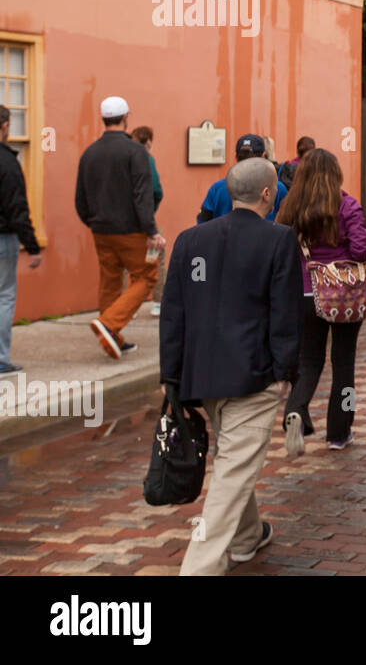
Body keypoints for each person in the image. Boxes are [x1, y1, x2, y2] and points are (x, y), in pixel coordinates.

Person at [160, 158, 303, 576]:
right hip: (253, 376)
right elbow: (285, 314)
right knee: (230, 475)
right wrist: (285, 373)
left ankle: (247, 538)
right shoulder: (280, 240)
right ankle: (198, 567)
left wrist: (171, 377)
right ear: (266, 194)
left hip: (202, 375)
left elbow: (174, 313)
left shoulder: (189, 240)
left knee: (233, 461)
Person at [278, 148, 366, 454]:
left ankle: (296, 408)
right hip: (342, 295)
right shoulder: (346, 205)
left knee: (308, 361)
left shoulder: (291, 209)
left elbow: (282, 251)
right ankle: (339, 432)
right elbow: (360, 250)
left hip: (304, 294)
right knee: (344, 364)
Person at [74, 96, 163, 359]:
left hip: (100, 229)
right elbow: (142, 196)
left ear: (104, 119)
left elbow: (80, 198)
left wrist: (92, 221)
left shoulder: (89, 152)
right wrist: (152, 230)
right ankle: (110, 324)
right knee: (146, 276)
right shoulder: (136, 152)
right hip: (130, 229)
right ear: (126, 118)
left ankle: (111, 336)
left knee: (110, 281)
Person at [0, 106, 42, 376]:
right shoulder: (7, 162)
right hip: (3, 238)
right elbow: (17, 208)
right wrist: (33, 244)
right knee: (4, 296)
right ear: (4, 125)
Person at [197, 134, 287, 223]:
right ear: (263, 156)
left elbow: (202, 222)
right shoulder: (276, 187)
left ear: (236, 157)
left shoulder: (217, 188)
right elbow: (288, 220)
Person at [131, 126, 165, 318]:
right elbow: (156, 190)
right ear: (148, 141)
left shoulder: (122, 156)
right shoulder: (146, 159)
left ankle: (127, 303)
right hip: (144, 220)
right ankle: (158, 302)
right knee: (156, 259)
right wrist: (150, 212)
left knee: (126, 262)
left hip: (122, 222)